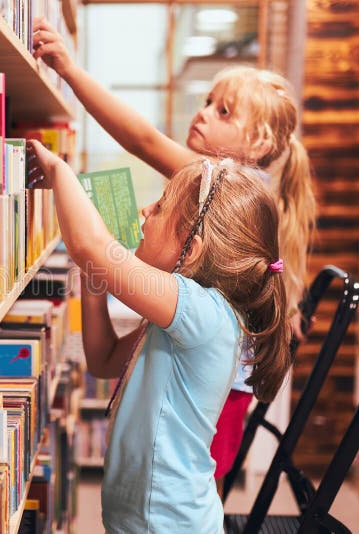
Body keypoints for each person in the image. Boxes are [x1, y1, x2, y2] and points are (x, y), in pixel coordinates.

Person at [32, 17, 316, 486]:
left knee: (191, 478)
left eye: (224, 112)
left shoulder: (222, 185)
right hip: (218, 374)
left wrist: (70, 70)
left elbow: (141, 139)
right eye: (207, 103)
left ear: (258, 143)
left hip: (215, 380)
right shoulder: (244, 193)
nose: (203, 113)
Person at [26, 145, 292, 532]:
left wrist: (58, 169)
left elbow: (92, 246)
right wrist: (93, 279)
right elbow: (103, 360)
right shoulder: (182, 318)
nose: (145, 212)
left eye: (160, 207)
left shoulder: (204, 314)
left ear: (191, 250)